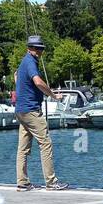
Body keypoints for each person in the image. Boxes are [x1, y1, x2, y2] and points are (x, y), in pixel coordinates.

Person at [14, 35, 68, 191]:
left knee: (23, 148)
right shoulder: (30, 62)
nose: (39, 52)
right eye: (37, 48)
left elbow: (16, 75)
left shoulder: (25, 61)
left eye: (41, 49)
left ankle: (22, 183)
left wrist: (22, 89)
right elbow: (37, 81)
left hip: (21, 110)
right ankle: (51, 182)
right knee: (45, 144)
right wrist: (53, 95)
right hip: (31, 110)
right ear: (30, 49)